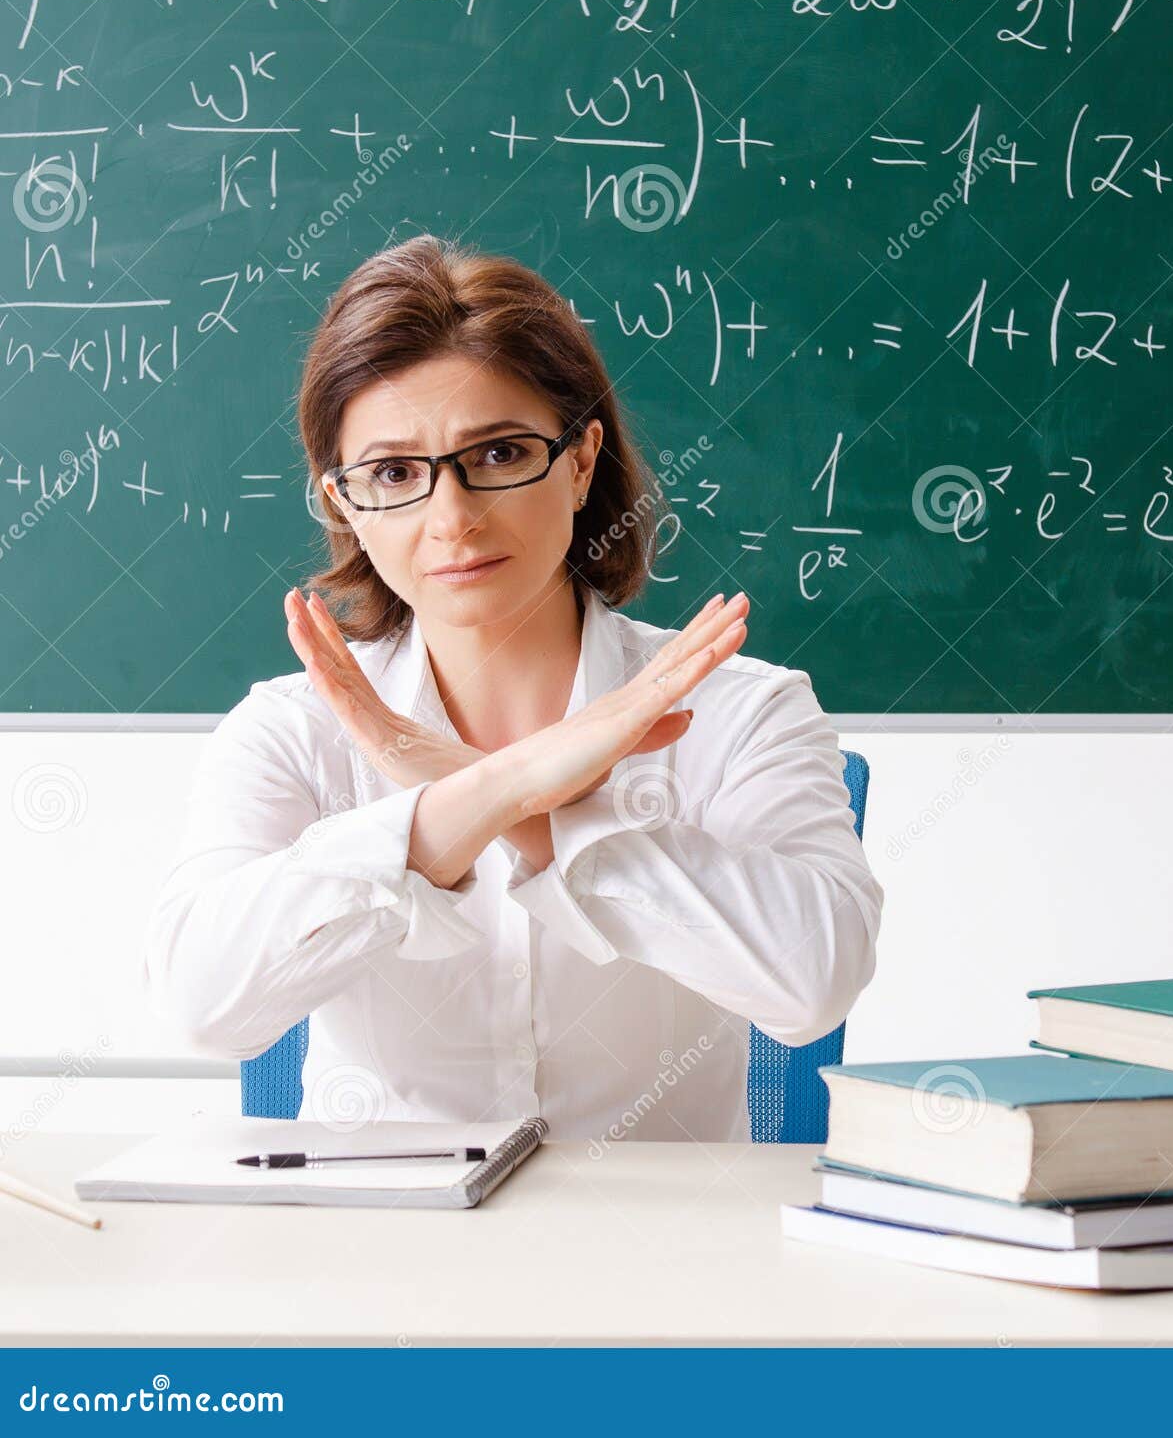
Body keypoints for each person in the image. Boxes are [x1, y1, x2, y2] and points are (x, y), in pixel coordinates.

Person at [142, 234, 883, 1141]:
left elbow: (815, 984)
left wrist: (531, 819)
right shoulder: (291, 730)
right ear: (344, 502)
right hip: (375, 1225)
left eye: (497, 454)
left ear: (581, 462)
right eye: (393, 472)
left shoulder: (740, 710)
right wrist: (491, 792)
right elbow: (200, 1007)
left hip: (658, 1227)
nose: (452, 517)